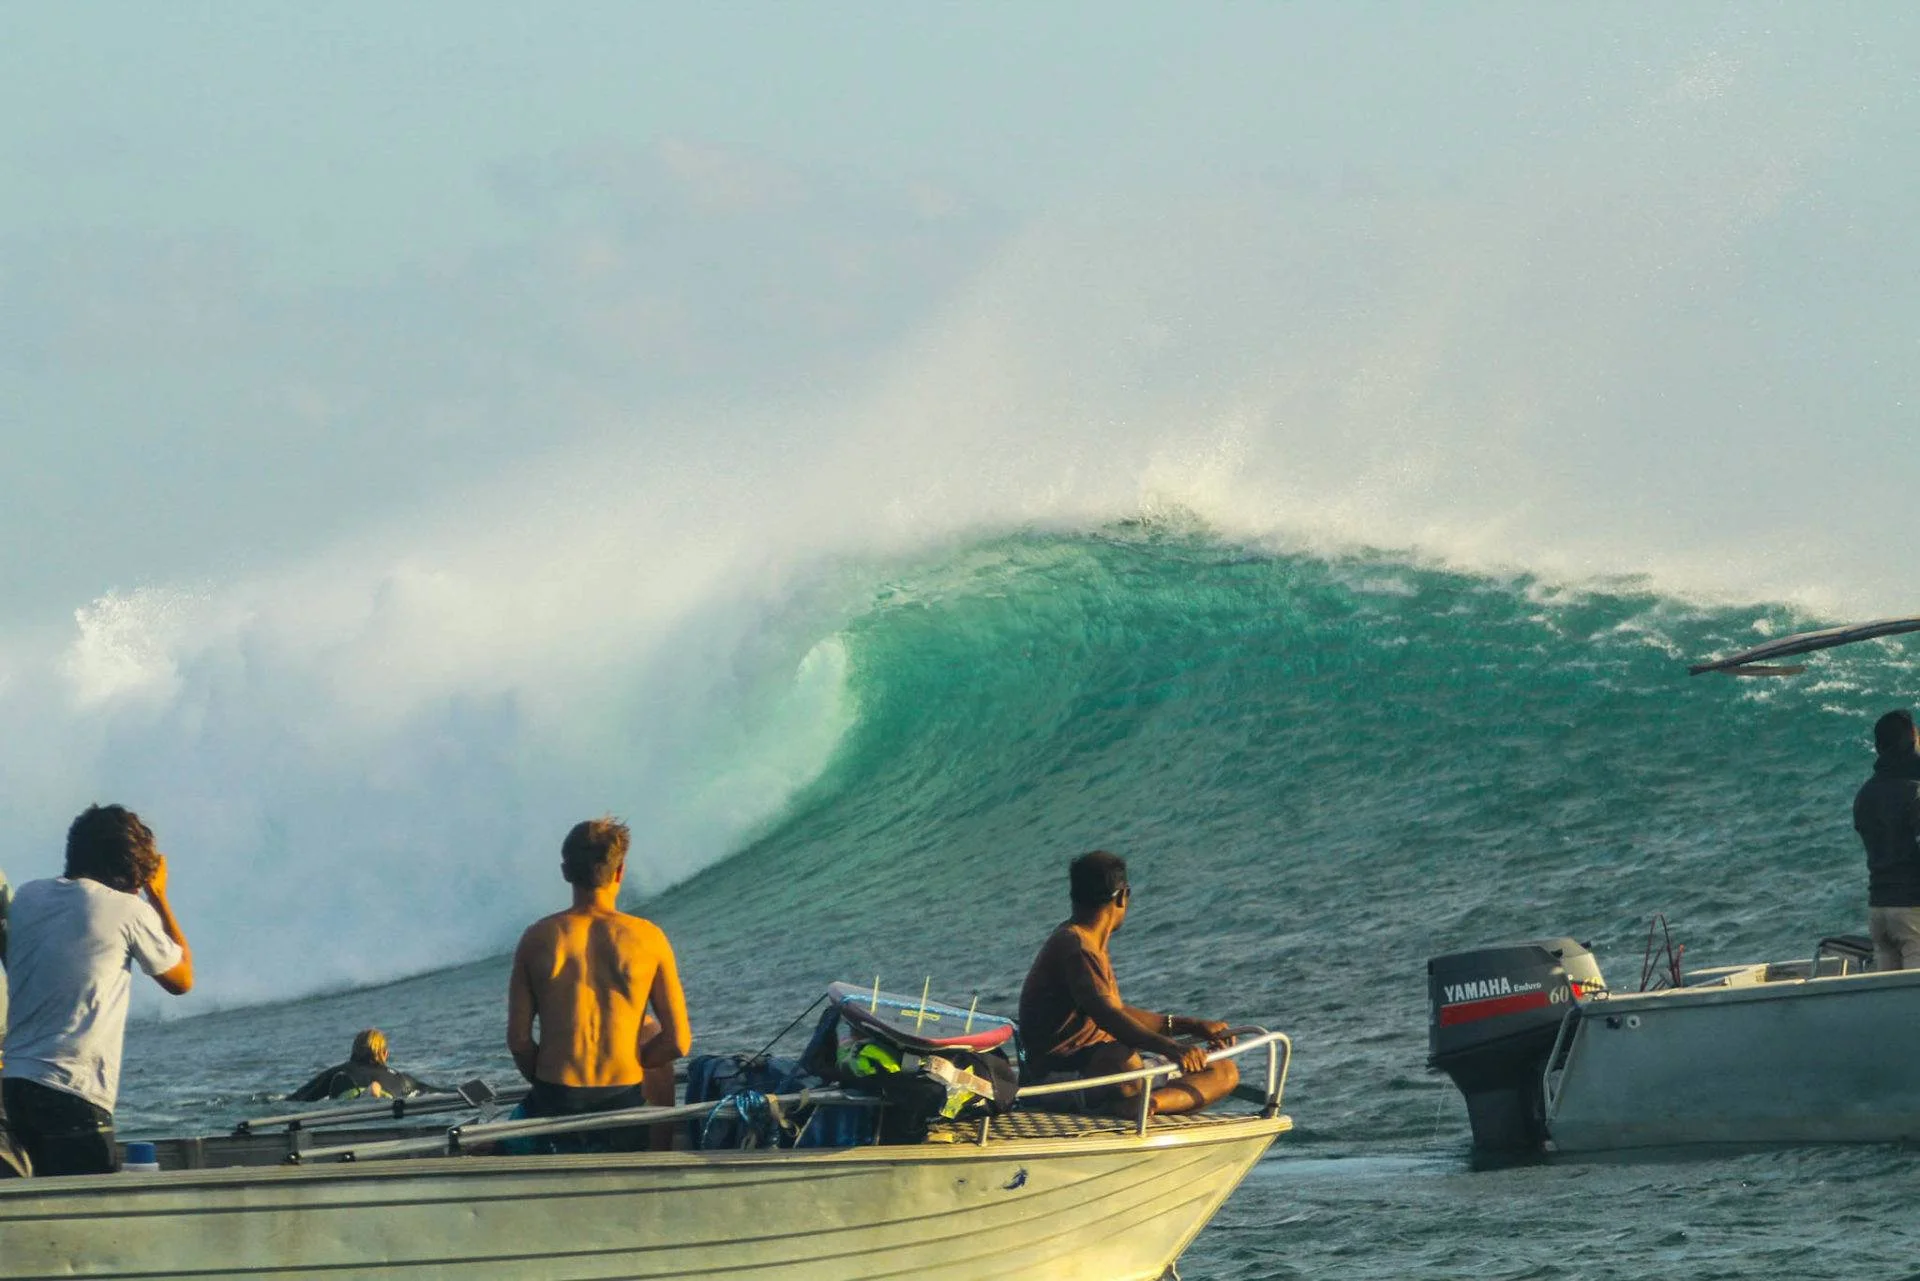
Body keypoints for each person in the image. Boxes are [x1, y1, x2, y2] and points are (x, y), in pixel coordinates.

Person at [0, 805, 192, 1175]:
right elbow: (181, 980)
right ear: (129, 864)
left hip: (16, 1087)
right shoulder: (127, 910)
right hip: (72, 1090)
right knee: (91, 1214)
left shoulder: (27, 898)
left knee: (46, 1207)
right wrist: (158, 896)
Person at [506, 817, 691, 1149]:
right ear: (619, 872)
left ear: (565, 872)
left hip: (554, 1096)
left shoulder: (536, 938)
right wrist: (636, 1059)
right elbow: (678, 1042)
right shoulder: (648, 938)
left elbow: (519, 1041)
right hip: (621, 1099)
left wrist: (547, 1083)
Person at [1019, 850, 1239, 1116]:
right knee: (1122, 1060)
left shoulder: (1085, 941)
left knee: (1224, 1070)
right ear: (1123, 896)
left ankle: (1148, 1105)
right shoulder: (1077, 947)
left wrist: (1188, 1026)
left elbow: (1116, 1010)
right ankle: (1139, 1101)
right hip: (1060, 1077)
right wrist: (1173, 1049)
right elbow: (1108, 1016)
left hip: (1097, 1067)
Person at [1855, 709, 1920, 971]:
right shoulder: (1914, 792)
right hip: (1911, 913)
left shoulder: (1865, 794)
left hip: (1879, 910)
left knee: (1889, 1000)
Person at [288, 1029, 440, 1102]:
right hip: (390, 1095)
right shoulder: (402, 1078)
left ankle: (366, 1094)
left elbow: (299, 1098)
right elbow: (433, 1091)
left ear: (354, 1050)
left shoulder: (336, 1072)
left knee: (344, 1090)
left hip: (349, 1090)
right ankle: (375, 1093)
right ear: (385, 1053)